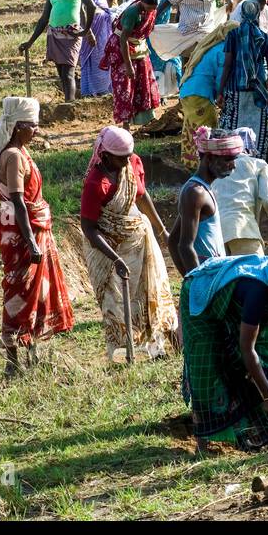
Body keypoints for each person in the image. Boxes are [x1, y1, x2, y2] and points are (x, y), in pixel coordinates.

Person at [179, 253, 268, 452]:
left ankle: (260, 434)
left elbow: (254, 353)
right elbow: (247, 349)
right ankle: (203, 444)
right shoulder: (257, 292)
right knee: (206, 364)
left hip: (230, 298)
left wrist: (264, 388)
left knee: (244, 368)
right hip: (200, 295)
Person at [0, 96, 74, 376]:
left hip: (27, 227)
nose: (36, 130)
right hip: (20, 233)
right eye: (32, 126)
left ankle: (30, 349)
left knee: (32, 292)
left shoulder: (21, 152)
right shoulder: (12, 156)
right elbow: (19, 202)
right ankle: (12, 361)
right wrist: (32, 242)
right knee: (18, 290)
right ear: (17, 127)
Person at [79, 127, 179, 361]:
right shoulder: (96, 183)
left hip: (138, 242)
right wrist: (115, 258)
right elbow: (89, 228)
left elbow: (142, 196)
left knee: (147, 294)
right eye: (121, 157)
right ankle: (124, 355)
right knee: (115, 304)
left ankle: (156, 349)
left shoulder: (132, 163)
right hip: (106, 250)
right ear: (105, 156)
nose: (127, 161)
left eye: (128, 156)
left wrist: (161, 229)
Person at [19, 0, 98, 102]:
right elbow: (44, 19)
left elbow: (90, 6)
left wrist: (87, 31)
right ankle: (68, 104)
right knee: (62, 73)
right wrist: (30, 42)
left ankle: (70, 105)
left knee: (68, 72)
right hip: (54, 34)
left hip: (70, 34)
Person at [170, 128, 241, 277]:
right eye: (228, 160)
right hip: (208, 277)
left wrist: (189, 279)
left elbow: (173, 240)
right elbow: (185, 246)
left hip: (213, 275)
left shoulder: (201, 190)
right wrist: (198, 283)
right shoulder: (195, 192)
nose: (233, 166)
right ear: (209, 158)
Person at [213, 128, 268, 256]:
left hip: (216, 234)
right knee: (254, 273)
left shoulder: (219, 169)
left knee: (229, 274)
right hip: (242, 229)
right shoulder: (257, 164)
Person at [221, 0, 268, 153]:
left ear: (242, 14)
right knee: (256, 130)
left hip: (234, 88)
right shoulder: (266, 38)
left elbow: (227, 65)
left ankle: (232, 163)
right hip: (258, 89)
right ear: (258, 15)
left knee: (233, 130)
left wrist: (220, 90)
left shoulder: (233, 35)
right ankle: (254, 163)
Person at [101, 0, 162, 128]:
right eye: (149, 7)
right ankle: (126, 126)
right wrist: (128, 66)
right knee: (125, 88)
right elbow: (123, 40)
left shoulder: (151, 10)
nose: (151, 11)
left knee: (145, 84)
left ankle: (147, 120)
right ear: (143, 2)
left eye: (153, 8)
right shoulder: (132, 12)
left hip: (139, 47)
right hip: (122, 49)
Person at [177, 19, 234, 163]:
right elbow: (221, 78)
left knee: (192, 128)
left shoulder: (211, 46)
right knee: (207, 128)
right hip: (200, 93)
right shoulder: (223, 50)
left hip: (188, 91)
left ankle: (190, 162)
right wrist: (221, 95)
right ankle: (203, 164)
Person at [73, 0, 114, 97]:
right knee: (93, 57)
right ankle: (94, 90)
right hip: (92, 23)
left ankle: (104, 88)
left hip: (102, 23)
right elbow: (81, 7)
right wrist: (87, 30)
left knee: (103, 54)